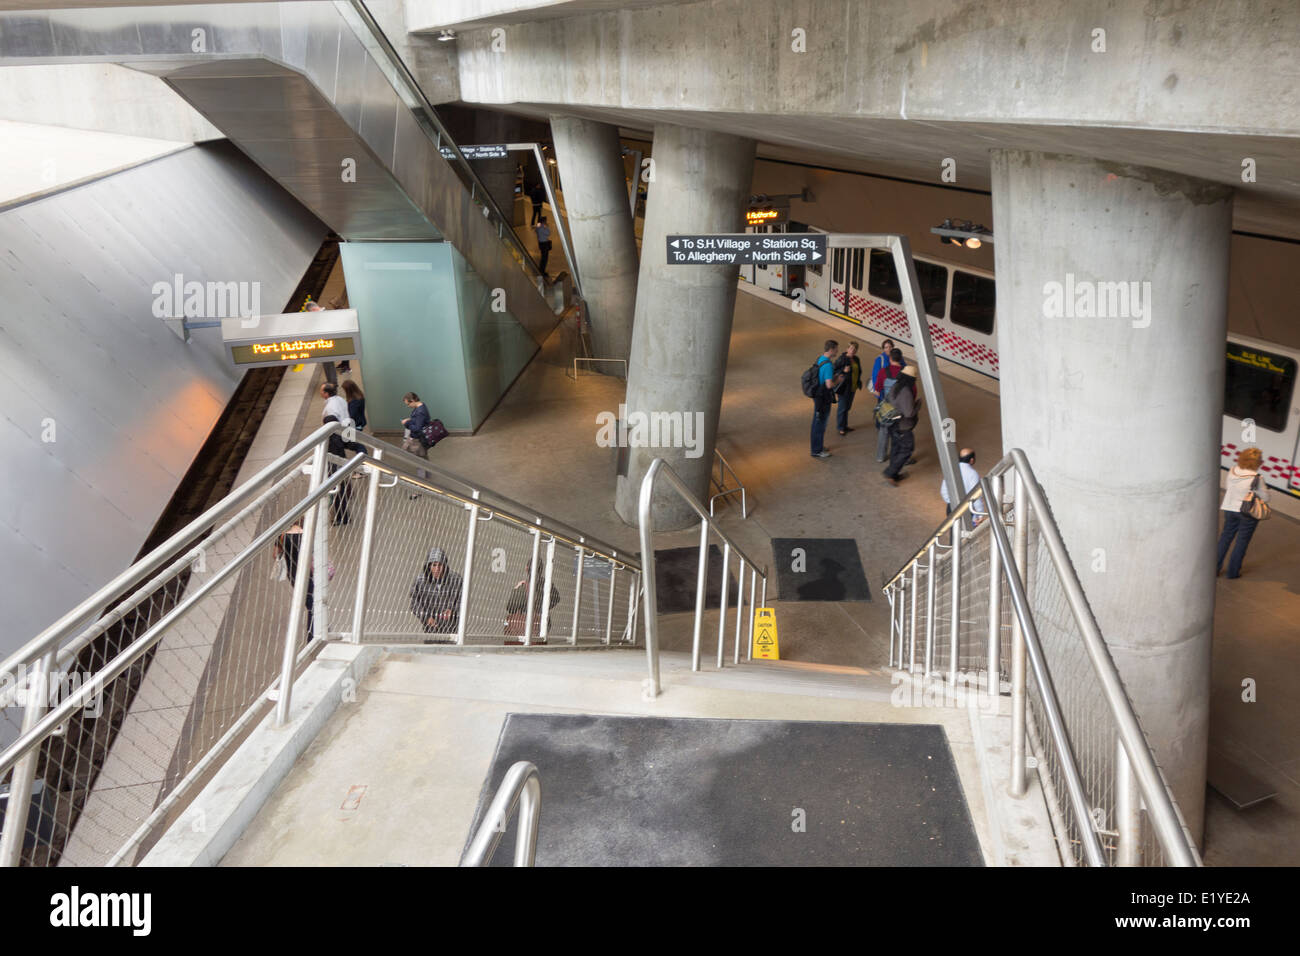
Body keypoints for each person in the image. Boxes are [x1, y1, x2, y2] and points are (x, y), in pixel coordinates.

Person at [1217, 447, 1270, 579]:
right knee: (1242, 542)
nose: (1262, 462)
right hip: (1247, 512)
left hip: (1230, 508)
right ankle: (1232, 572)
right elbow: (1266, 498)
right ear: (1256, 463)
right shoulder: (1257, 478)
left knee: (1225, 538)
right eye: (1260, 460)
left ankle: (1215, 568)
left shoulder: (1233, 470)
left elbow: (1229, 487)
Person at [410, 547, 464, 641]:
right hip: (430, 629)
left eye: (440, 565)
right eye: (434, 565)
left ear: (445, 566)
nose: (437, 569)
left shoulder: (456, 580)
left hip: (452, 629)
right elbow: (414, 602)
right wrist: (426, 617)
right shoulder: (420, 581)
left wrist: (453, 611)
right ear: (429, 566)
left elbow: (463, 599)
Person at [274, 522, 316, 640]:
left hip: (293, 574)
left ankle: (316, 631)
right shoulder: (308, 535)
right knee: (312, 604)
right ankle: (312, 636)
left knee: (309, 602)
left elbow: (275, 555)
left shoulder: (282, 536)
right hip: (310, 572)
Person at [322, 414, 365, 525]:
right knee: (340, 493)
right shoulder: (339, 433)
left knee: (338, 495)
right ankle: (343, 517)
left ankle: (343, 518)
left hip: (333, 469)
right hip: (341, 468)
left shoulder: (326, 437)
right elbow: (351, 444)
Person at [504, 561, 561, 642]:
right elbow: (557, 599)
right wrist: (543, 608)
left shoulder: (523, 587)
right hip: (542, 624)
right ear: (541, 570)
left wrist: (516, 588)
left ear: (526, 568)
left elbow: (510, 607)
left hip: (522, 627)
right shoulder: (548, 586)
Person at [883, 365, 921, 485]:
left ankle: (893, 475)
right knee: (907, 449)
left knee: (896, 448)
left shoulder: (895, 386)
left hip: (893, 423)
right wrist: (918, 405)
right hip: (903, 426)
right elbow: (909, 413)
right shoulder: (906, 392)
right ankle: (890, 473)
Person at [810, 339, 841, 460]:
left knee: (817, 422)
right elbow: (829, 385)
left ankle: (818, 446)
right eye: (836, 349)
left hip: (817, 396)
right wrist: (837, 380)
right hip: (823, 398)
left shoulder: (821, 359)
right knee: (820, 424)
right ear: (832, 349)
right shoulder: (828, 365)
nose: (837, 351)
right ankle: (817, 450)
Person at [872, 347, 904, 462]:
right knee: (900, 431)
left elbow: (877, 389)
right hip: (901, 407)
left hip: (887, 407)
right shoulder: (906, 373)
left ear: (890, 358)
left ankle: (880, 456)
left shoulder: (883, 371)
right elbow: (913, 391)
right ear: (900, 359)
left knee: (884, 431)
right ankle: (899, 456)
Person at [940, 448, 986, 522]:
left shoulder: (951, 470)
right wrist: (980, 513)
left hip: (951, 507)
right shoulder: (972, 473)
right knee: (968, 532)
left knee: (954, 531)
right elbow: (976, 495)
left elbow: (943, 491)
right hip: (967, 509)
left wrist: (951, 502)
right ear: (971, 460)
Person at [833, 341, 863, 436]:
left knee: (847, 407)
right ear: (847, 349)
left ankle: (844, 425)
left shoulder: (856, 359)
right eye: (851, 348)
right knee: (842, 408)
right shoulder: (842, 359)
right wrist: (843, 370)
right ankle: (841, 427)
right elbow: (834, 370)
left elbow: (858, 371)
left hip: (852, 387)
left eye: (855, 349)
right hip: (844, 387)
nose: (852, 351)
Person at [401, 392, 432, 481]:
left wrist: (406, 424)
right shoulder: (421, 406)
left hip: (418, 439)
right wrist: (410, 419)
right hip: (421, 439)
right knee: (423, 458)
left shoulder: (420, 411)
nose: (408, 406)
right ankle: (428, 478)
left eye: (408, 404)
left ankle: (421, 484)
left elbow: (417, 428)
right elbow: (419, 421)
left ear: (413, 401)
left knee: (419, 461)